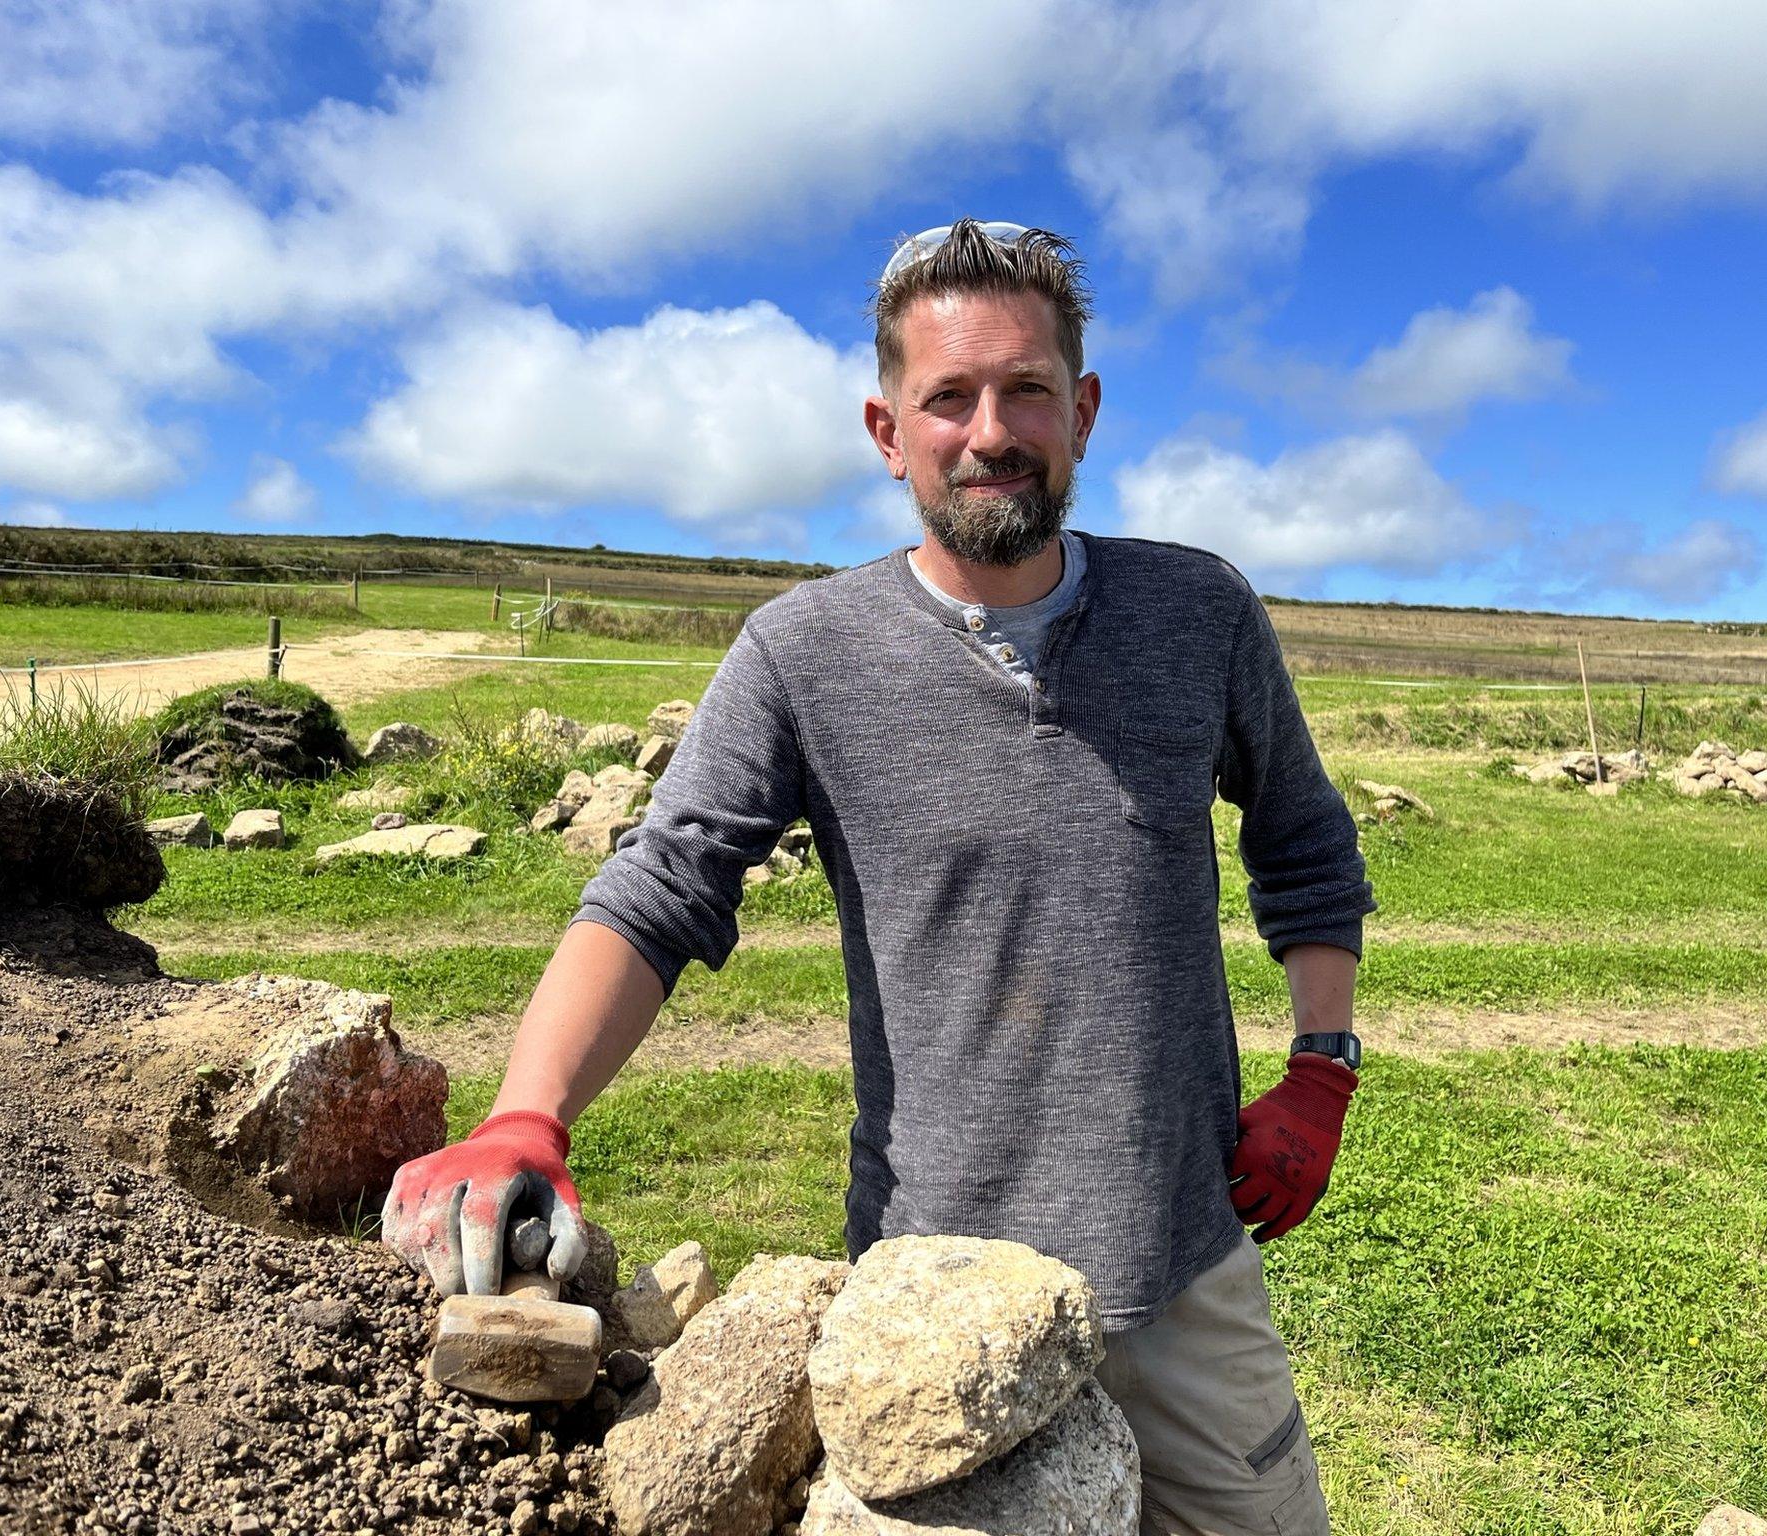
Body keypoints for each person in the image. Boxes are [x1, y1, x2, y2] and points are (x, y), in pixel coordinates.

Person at [381, 219, 1377, 1535]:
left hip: (1185, 1270)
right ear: (885, 428)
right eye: (947, 397)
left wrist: (1323, 1068)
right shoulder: (803, 654)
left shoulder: (1198, 612)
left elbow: (1302, 838)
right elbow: (662, 887)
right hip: (935, 1300)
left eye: (1027, 389)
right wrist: (528, 1118)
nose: (989, 430)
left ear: (1082, 411)